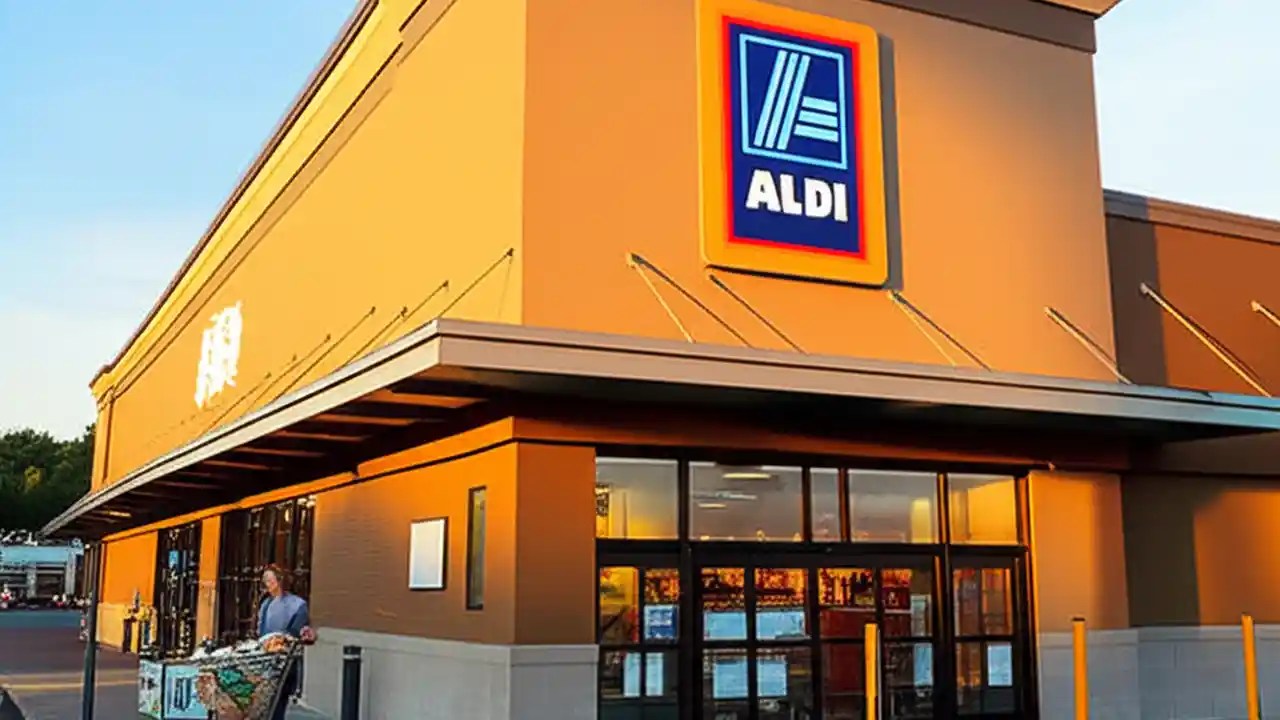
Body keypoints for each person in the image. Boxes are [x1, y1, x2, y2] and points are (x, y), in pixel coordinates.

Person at [257, 565, 316, 720]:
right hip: (265, 660)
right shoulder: (265, 604)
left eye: (270, 579)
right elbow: (261, 632)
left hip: (284, 661)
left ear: (279, 580)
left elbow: (296, 632)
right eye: (265, 580)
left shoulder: (297, 605)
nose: (267, 583)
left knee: (278, 701)